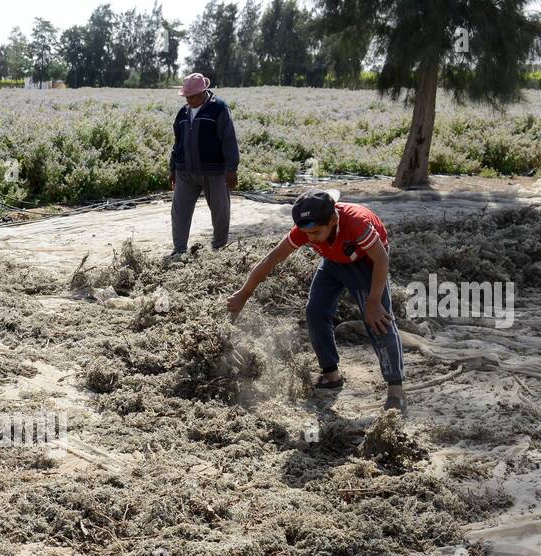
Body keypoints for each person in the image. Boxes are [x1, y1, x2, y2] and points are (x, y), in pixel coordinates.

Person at [227, 190, 407, 413]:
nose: (310, 238)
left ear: (333, 221)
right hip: (333, 262)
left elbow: (381, 258)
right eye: (306, 233)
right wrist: (243, 294)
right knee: (315, 312)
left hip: (367, 263)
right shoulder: (306, 229)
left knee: (378, 321)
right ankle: (331, 375)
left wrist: (373, 302)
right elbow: (271, 259)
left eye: (315, 232)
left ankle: (396, 390)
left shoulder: (356, 223)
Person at [169, 73, 240, 257]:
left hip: (215, 172)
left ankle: (219, 248)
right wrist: (173, 169)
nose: (190, 99)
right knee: (179, 213)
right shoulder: (182, 113)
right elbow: (177, 144)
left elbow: (229, 140)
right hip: (185, 171)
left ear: (204, 91)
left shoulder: (219, 109)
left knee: (220, 211)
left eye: (193, 95)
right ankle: (179, 250)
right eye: (187, 96)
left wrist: (231, 169)